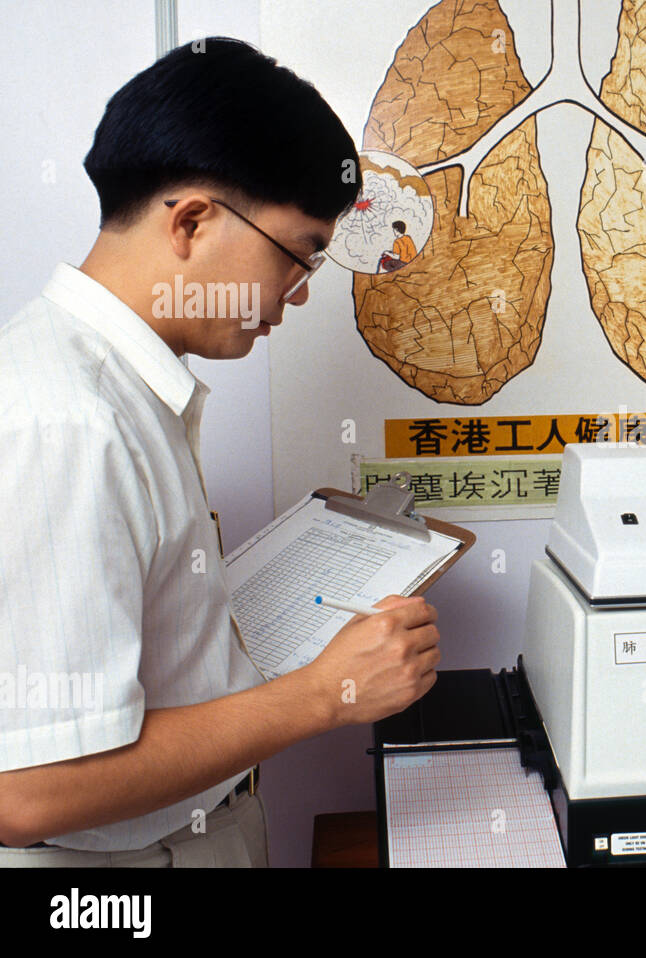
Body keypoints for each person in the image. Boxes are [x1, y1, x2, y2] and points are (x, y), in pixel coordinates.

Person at [0, 38, 441, 866]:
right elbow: (25, 791)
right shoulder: (64, 422)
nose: (300, 289)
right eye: (299, 252)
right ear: (193, 222)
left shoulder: (117, 388)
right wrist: (323, 694)